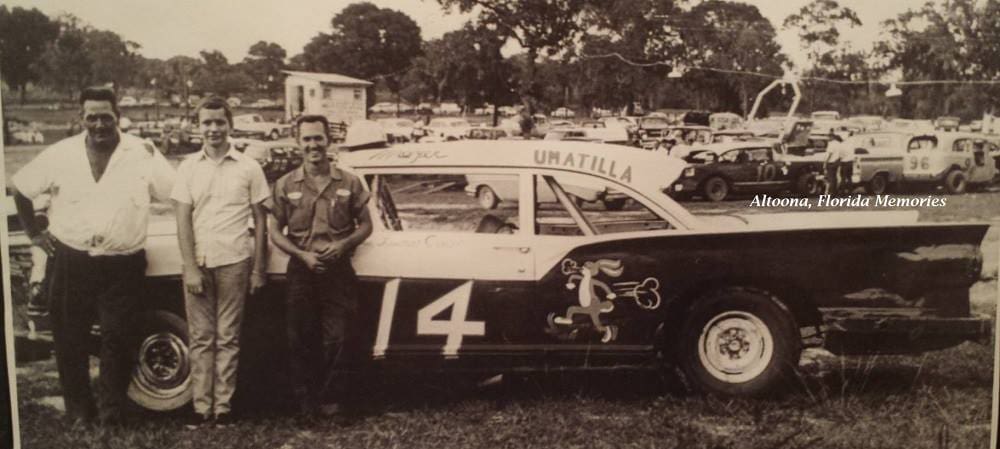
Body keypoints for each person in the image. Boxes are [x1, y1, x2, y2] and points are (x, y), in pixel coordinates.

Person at [11, 86, 175, 427]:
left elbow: (175, 192)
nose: (99, 124)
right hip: (72, 260)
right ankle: (79, 412)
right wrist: (35, 235)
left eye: (106, 117)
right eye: (91, 117)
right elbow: (21, 188)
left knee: (119, 337)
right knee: (70, 338)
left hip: (122, 263)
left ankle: (112, 412)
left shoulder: (142, 152)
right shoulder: (61, 153)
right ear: (80, 118)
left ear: (118, 117)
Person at [171, 97, 270, 429]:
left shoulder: (248, 167)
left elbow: (260, 220)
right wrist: (189, 266)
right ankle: (201, 408)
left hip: (235, 261)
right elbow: (182, 219)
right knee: (201, 337)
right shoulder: (187, 167)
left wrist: (259, 268)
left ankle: (223, 407)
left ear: (230, 125)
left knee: (228, 336)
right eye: (207, 123)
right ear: (198, 127)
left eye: (219, 122)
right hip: (199, 262)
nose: (213, 129)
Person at [268, 115, 373, 419]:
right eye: (307, 139)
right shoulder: (286, 184)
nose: (313, 145)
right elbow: (275, 231)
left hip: (338, 269)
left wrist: (343, 245)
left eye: (318, 138)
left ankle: (333, 401)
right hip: (302, 268)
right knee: (300, 337)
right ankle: (306, 403)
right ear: (297, 142)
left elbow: (366, 225)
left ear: (329, 141)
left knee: (339, 337)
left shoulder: (349, 181)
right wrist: (302, 256)